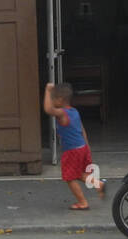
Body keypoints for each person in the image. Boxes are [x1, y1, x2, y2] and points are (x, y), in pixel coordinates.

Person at [44, 82, 105, 210]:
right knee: (77, 173)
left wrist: (48, 91)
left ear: (60, 100)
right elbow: (82, 129)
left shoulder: (62, 113)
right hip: (81, 147)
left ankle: (83, 202)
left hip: (71, 150)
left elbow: (48, 109)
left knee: (69, 177)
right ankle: (98, 184)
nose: (52, 101)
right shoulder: (74, 111)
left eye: (53, 99)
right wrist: (87, 146)